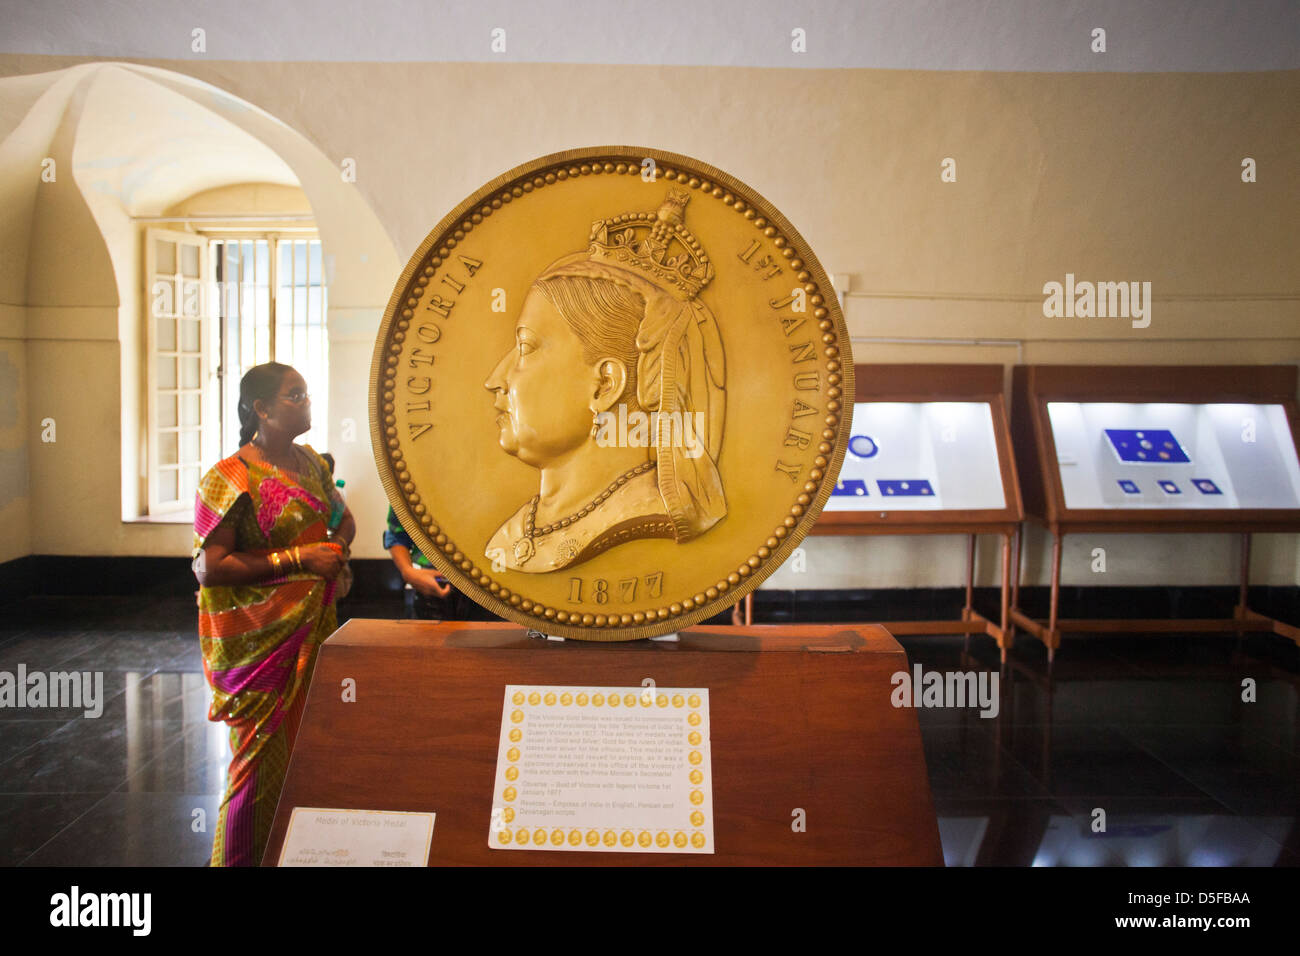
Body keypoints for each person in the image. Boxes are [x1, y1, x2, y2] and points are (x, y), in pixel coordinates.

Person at [482, 187, 728, 574]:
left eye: (526, 347)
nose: (494, 379)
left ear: (605, 385)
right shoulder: (513, 533)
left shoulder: (645, 517)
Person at [191, 362, 355, 867]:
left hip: (311, 631)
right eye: (294, 395)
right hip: (258, 644)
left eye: (305, 393)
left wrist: (335, 551)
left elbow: (344, 520)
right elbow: (208, 567)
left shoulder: (311, 463)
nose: (305, 402)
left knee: (306, 754)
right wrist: (300, 560)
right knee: (255, 766)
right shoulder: (230, 477)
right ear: (261, 409)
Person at [384, 504, 458, 619]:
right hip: (433, 585)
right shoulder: (407, 487)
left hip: (487, 589)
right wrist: (407, 571)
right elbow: (397, 535)